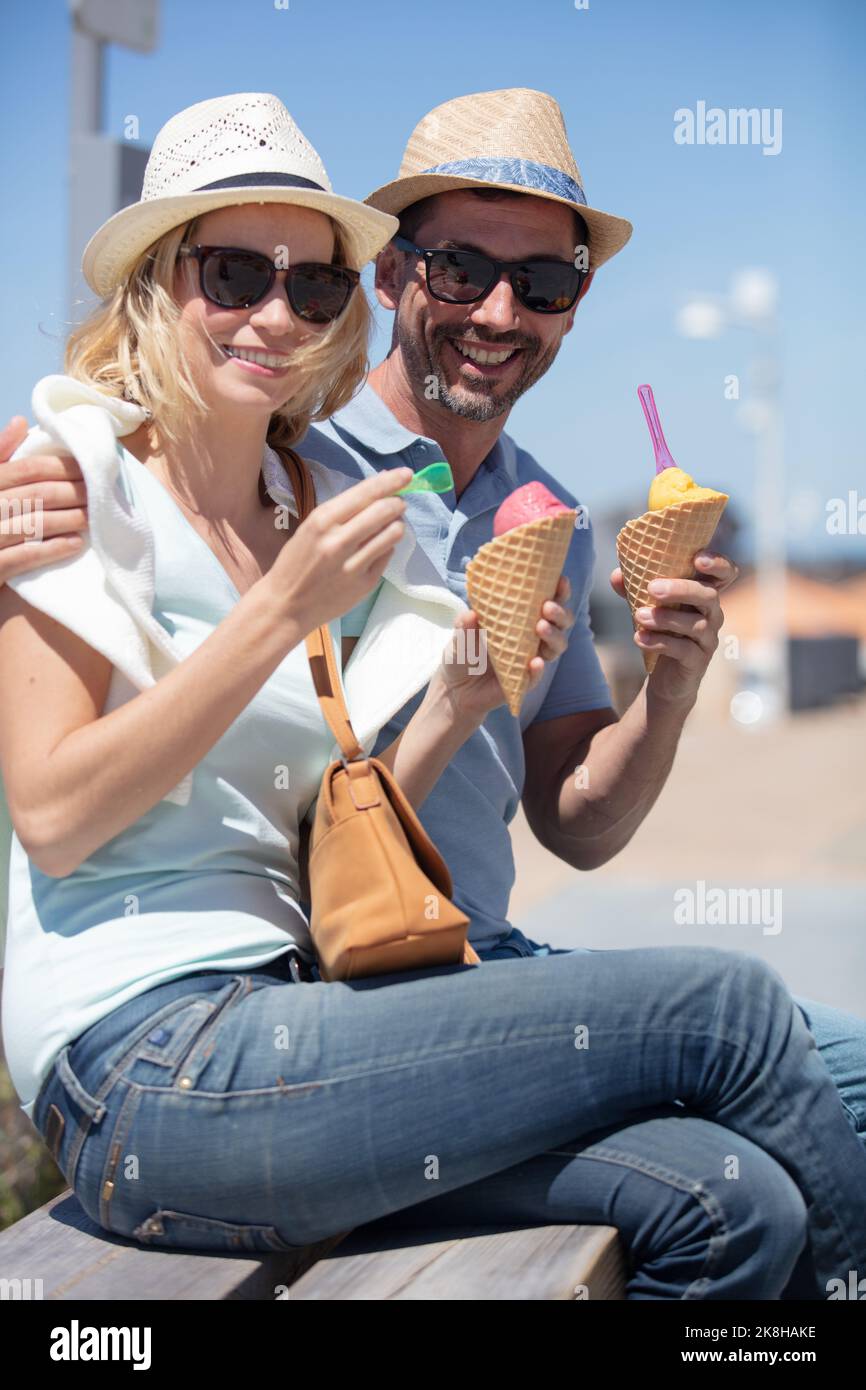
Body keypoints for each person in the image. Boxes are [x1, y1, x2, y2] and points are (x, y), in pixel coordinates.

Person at [0, 91, 864, 1301]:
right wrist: (280, 608)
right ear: (400, 273)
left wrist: (626, 691)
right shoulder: (113, 470)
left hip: (342, 999)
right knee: (724, 1003)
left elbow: (450, 822)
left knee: (733, 1201)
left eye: (309, 287)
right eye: (235, 271)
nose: (274, 313)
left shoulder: (307, 497)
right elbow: (49, 808)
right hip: (169, 1052)